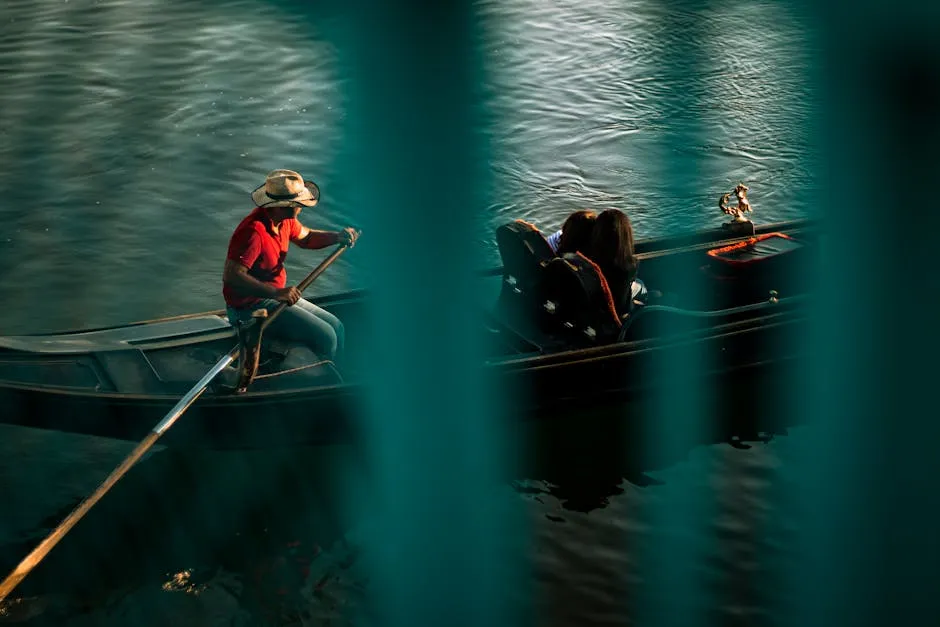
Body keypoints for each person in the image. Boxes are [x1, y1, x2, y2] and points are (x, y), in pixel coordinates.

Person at [222, 169, 359, 363]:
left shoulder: (285, 221)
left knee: (337, 326)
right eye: (298, 203)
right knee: (327, 337)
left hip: (276, 297)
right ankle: (320, 381)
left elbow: (307, 238)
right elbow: (232, 275)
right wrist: (276, 293)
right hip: (251, 308)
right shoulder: (253, 232)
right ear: (282, 206)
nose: (302, 207)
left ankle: (338, 370)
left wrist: (336, 237)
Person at [584, 208, 649, 316]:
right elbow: (621, 305)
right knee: (641, 286)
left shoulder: (589, 259)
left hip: (594, 309)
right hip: (614, 315)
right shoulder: (626, 267)